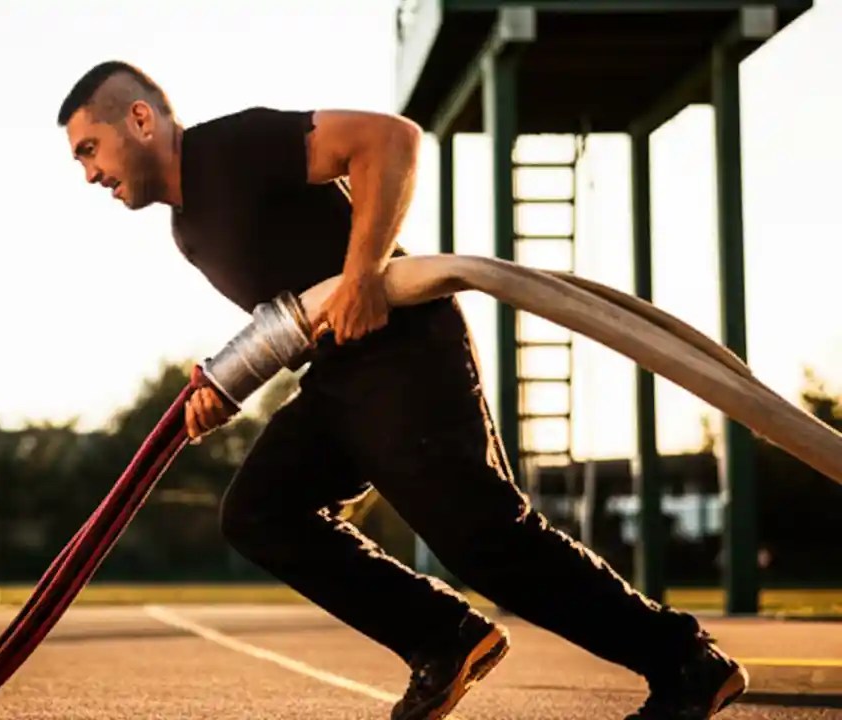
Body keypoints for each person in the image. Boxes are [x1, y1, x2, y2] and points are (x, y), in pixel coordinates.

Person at [55, 59, 749, 720]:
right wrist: (224, 384)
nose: (88, 173)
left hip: (406, 353)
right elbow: (294, 315)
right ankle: (444, 638)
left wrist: (363, 274)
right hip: (339, 377)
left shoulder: (232, 146)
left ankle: (686, 661)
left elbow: (391, 138)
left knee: (486, 542)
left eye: (91, 148)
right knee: (260, 512)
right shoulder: (188, 228)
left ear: (141, 119)